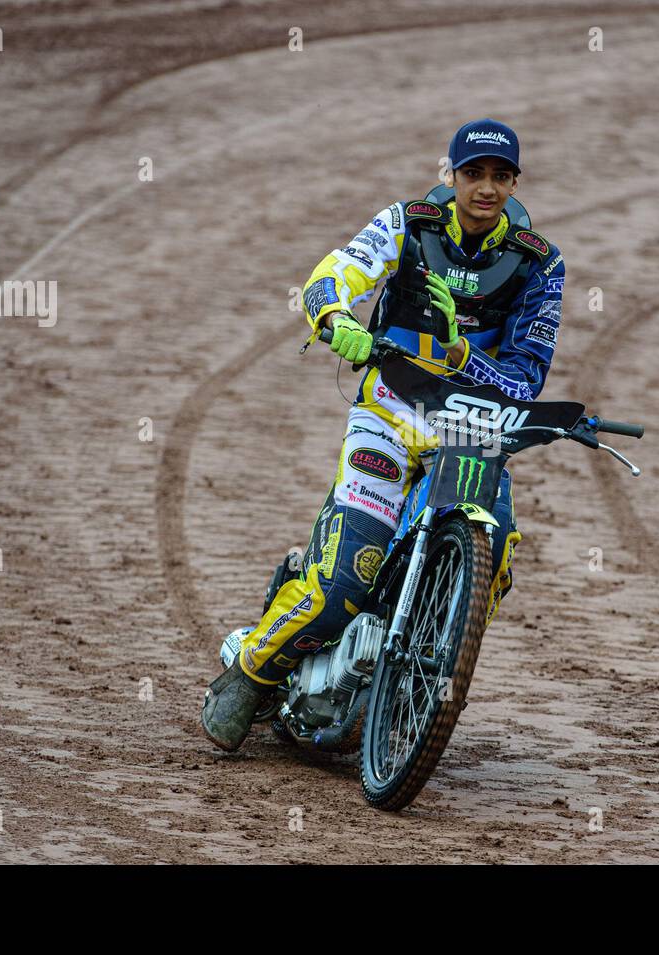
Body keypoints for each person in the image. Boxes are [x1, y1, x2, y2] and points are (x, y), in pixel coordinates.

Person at [201, 118, 565, 752]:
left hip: (474, 432)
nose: (485, 187)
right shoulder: (407, 223)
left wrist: (459, 358)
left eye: (499, 176)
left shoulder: (541, 264)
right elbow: (332, 275)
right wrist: (335, 317)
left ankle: (426, 663)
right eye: (472, 173)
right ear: (450, 175)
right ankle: (249, 676)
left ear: (514, 183)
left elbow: (526, 377)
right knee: (346, 580)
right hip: (390, 414)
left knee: (497, 547)